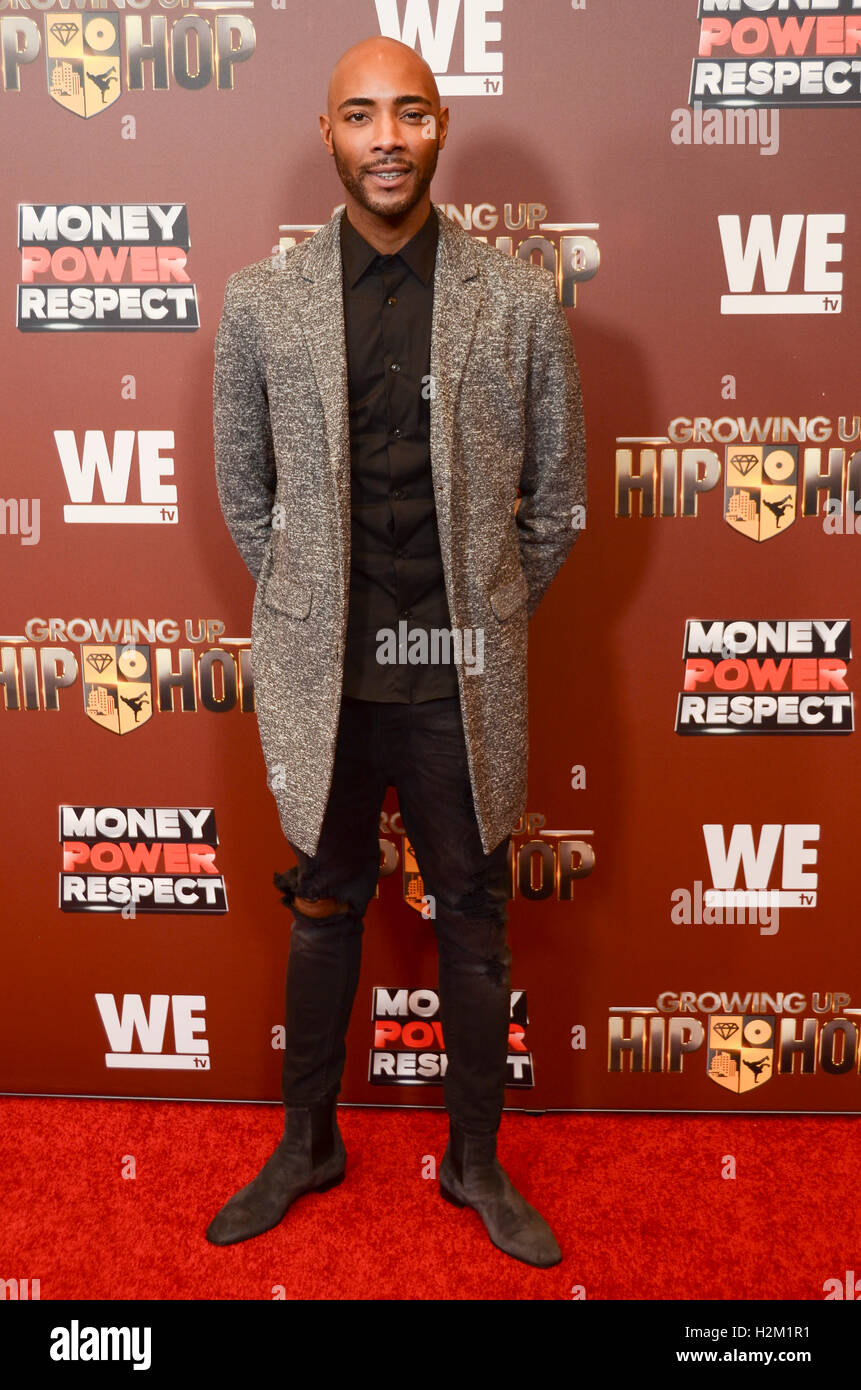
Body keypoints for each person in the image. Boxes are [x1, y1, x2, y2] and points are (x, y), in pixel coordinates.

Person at [208, 34, 586, 1268]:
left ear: (440, 131)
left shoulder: (519, 298)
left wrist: (478, 607)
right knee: (322, 911)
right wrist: (315, 602)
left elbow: (561, 503)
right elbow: (246, 493)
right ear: (328, 135)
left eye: (408, 113)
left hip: (457, 677)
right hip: (328, 676)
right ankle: (306, 1139)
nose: (385, 138)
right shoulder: (260, 305)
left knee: (474, 921)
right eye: (360, 116)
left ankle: (474, 1162)